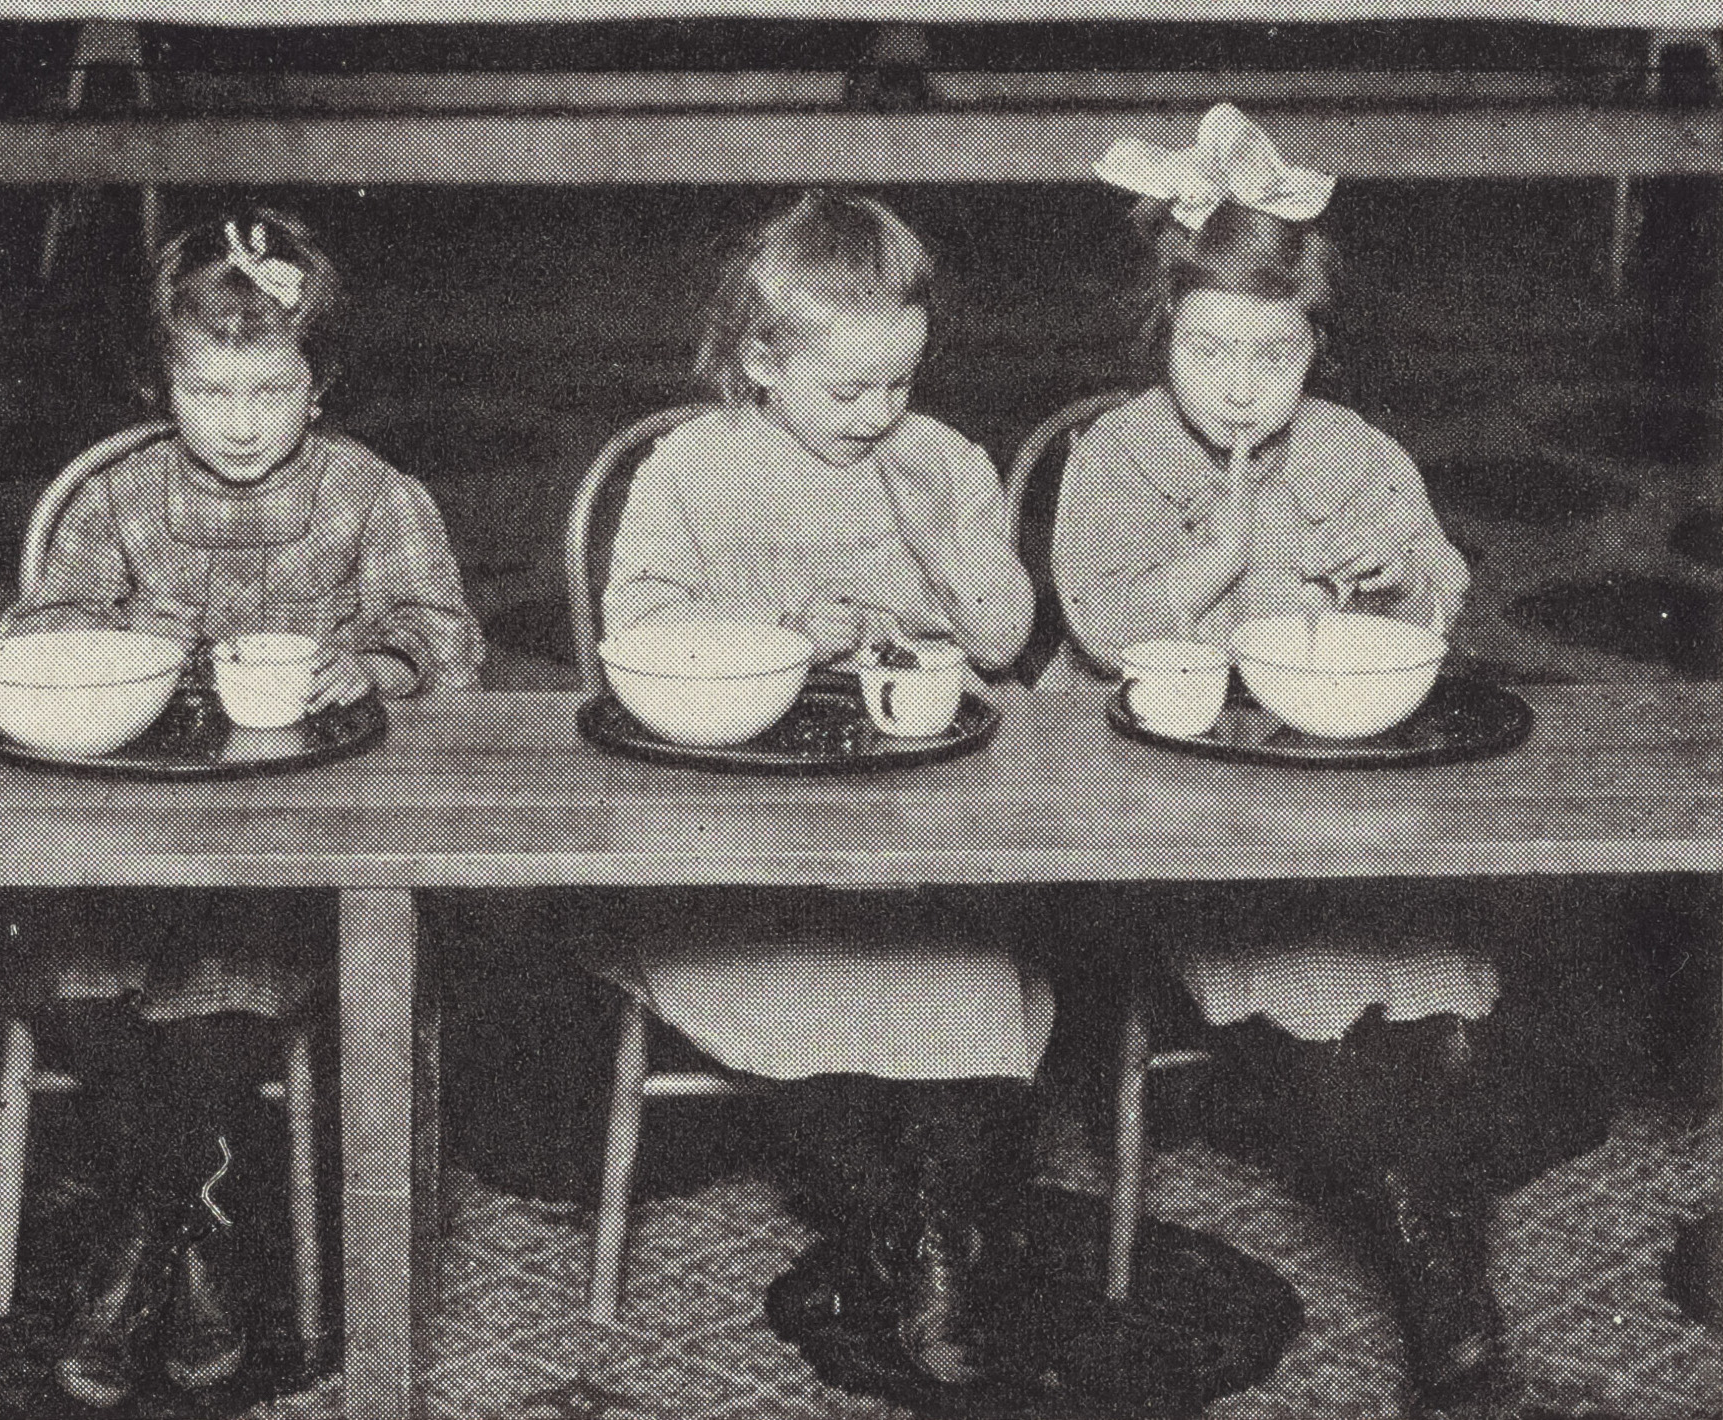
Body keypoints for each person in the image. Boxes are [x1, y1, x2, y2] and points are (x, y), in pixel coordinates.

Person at [1049, 105, 1613, 1420]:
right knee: (1310, 972)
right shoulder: (1116, 454)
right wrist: (1219, 546)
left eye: (1274, 351)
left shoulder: (1358, 455)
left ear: (1315, 345)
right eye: (1208, 349)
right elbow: (1097, 625)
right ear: (1161, 336)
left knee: (1407, 968)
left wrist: (1390, 585)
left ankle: (1431, 1202)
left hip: (1331, 789)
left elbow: (1434, 602)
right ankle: (1444, 1285)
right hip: (1170, 799)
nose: (1242, 383)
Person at [0, 207, 482, 1407]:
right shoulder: (116, 498)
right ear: (163, 384)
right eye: (211, 391)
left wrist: (373, 661)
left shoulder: (372, 493)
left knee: (232, 975)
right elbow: (33, 634)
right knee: (81, 967)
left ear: (319, 387)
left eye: (271, 389)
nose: (243, 420)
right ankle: (188, 1225)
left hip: (294, 842)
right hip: (130, 827)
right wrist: (113, 637)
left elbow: (449, 640)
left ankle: (144, 1233)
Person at [602, 189, 1050, 1385]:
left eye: (900, 382)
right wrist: (785, 625)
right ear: (758, 360)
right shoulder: (691, 469)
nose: (877, 414)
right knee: (788, 993)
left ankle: (917, 1247)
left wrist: (941, 531)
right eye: (845, 391)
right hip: (742, 824)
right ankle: (925, 1253)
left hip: (915, 824)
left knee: (964, 1002)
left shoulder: (937, 458)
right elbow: (632, 626)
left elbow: (1006, 640)